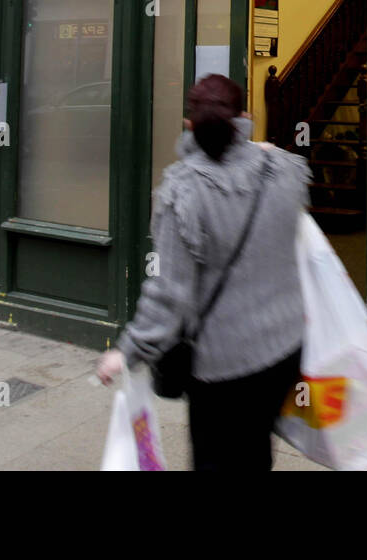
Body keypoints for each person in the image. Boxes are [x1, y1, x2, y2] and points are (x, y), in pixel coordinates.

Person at [96, 73, 311, 471]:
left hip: (224, 365)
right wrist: (259, 148)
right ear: (245, 116)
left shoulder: (184, 191)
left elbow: (170, 296)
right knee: (255, 446)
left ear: (188, 125)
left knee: (216, 457)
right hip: (284, 349)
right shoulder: (285, 170)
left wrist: (127, 352)